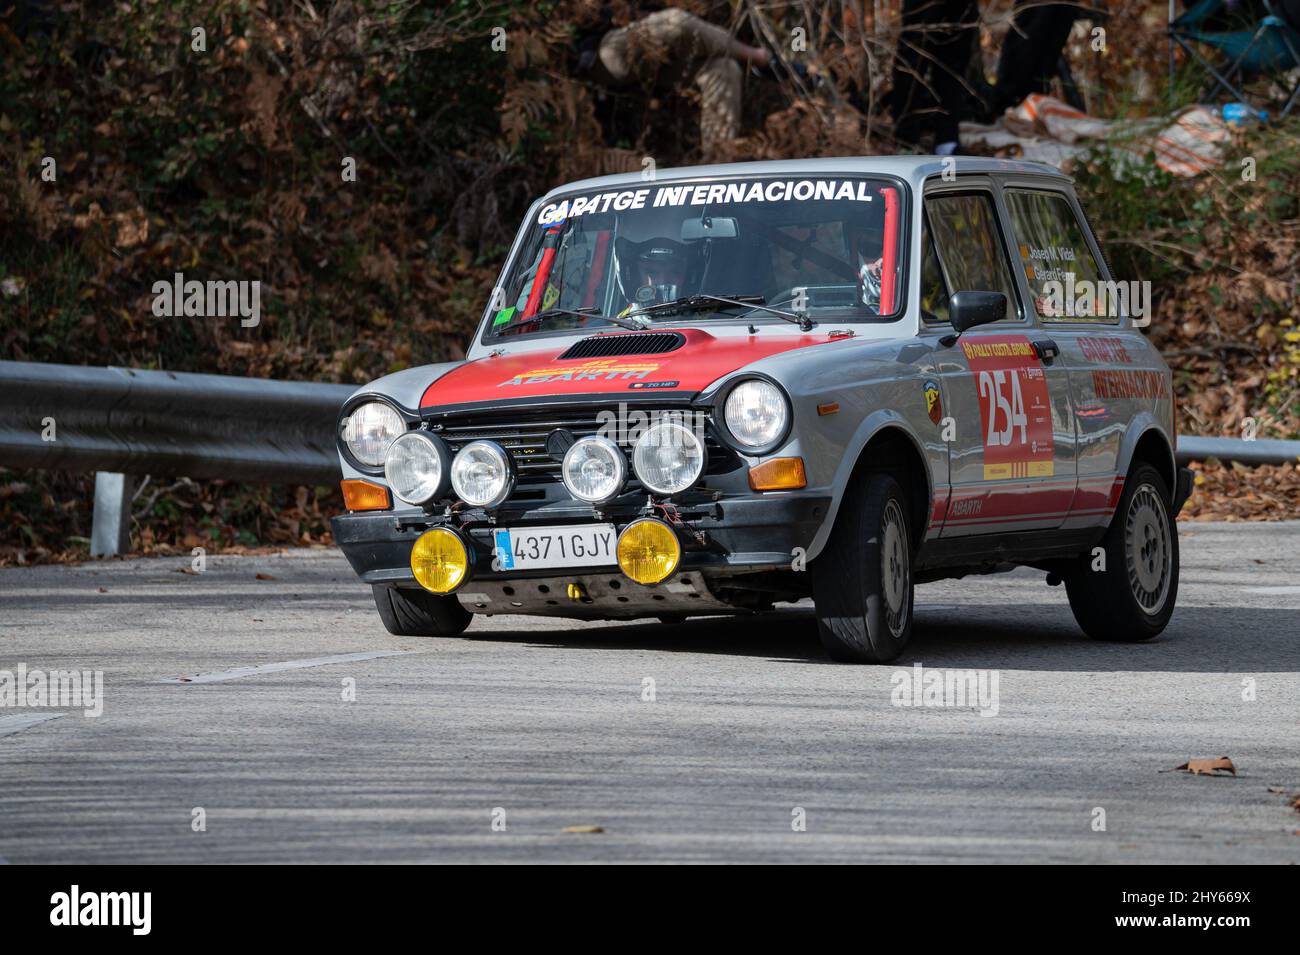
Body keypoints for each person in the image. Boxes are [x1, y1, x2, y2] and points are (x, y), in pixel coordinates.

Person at [574, 4, 792, 155]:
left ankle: (717, 166)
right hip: (602, 52)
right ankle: (758, 58)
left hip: (657, 59)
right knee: (674, 21)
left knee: (723, 68)